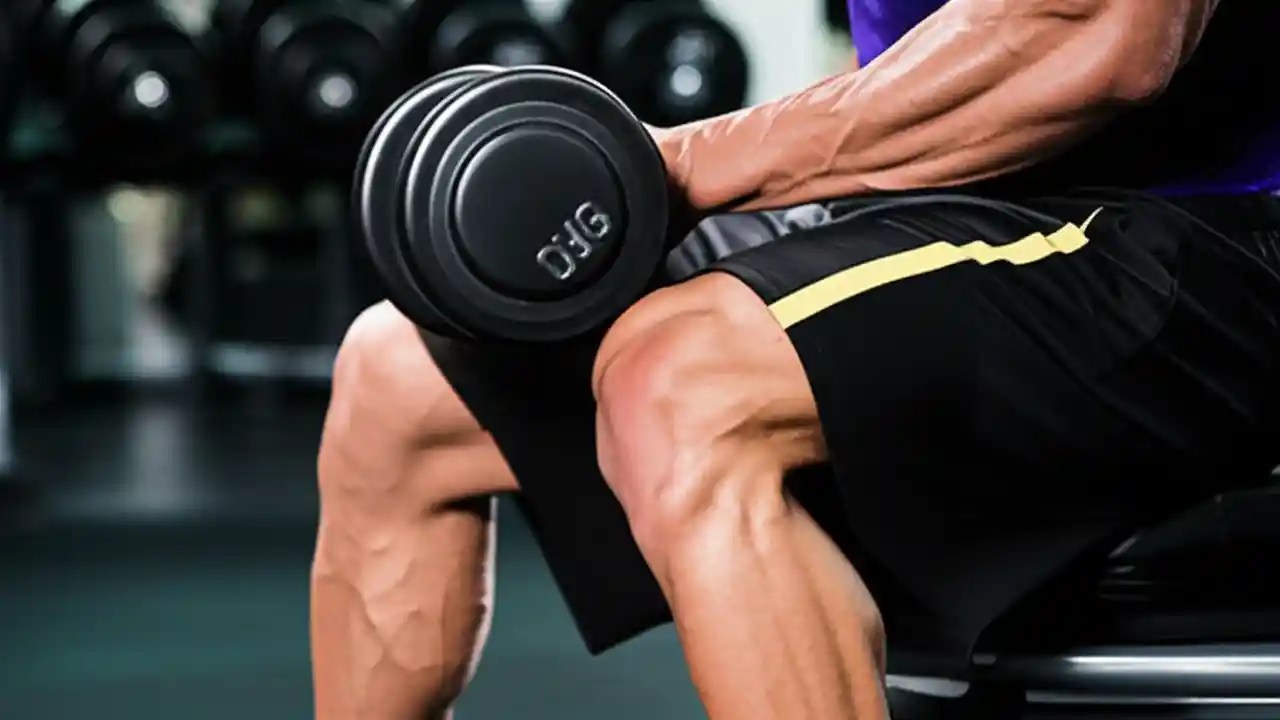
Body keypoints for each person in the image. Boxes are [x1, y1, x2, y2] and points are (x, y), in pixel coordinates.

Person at [311, 0, 1280, 717]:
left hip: (1207, 236)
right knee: (405, 373)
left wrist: (686, 165)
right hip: (956, 199)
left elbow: (1096, 32)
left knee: (684, 384)